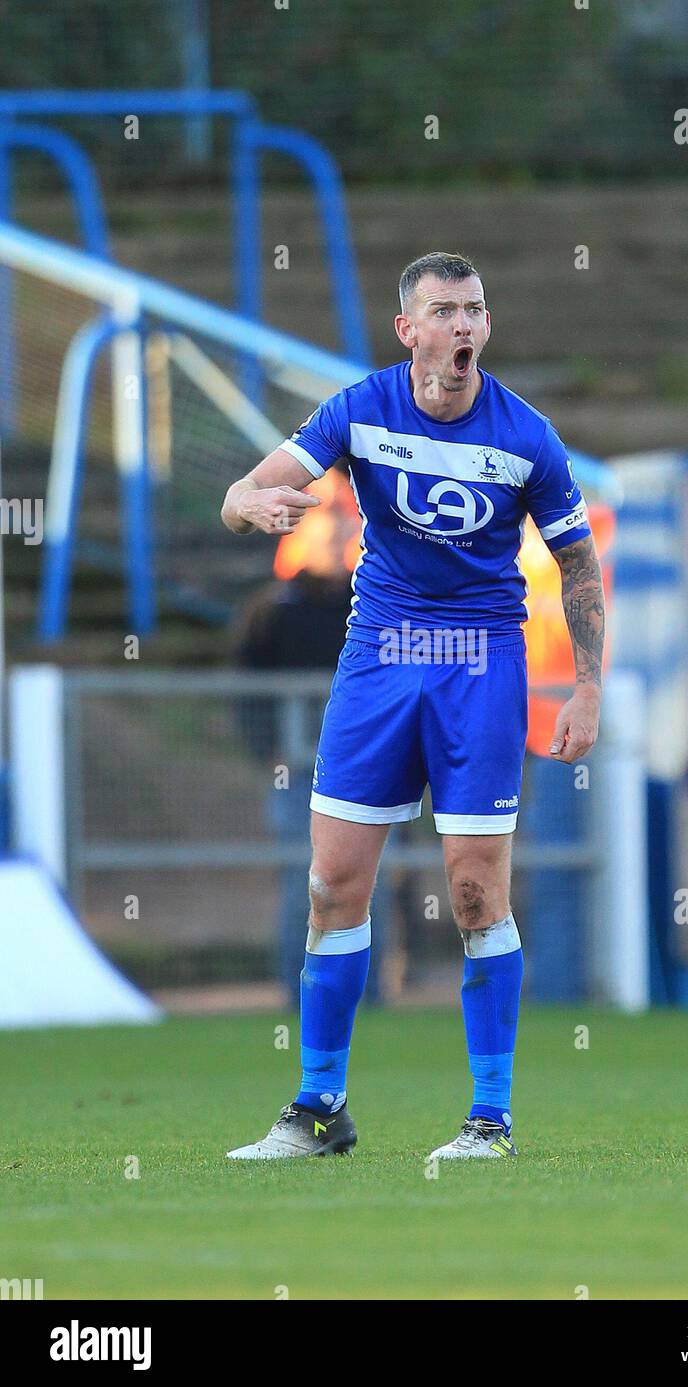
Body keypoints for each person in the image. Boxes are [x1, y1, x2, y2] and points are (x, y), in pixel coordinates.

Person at [220, 251, 605, 1160]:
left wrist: (587, 684)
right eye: (445, 310)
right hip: (381, 655)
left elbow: (578, 565)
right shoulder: (357, 408)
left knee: (475, 892)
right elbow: (245, 489)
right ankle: (319, 1110)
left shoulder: (527, 436)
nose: (464, 326)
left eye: (475, 309)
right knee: (332, 885)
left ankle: (491, 1120)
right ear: (410, 331)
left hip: (479, 662)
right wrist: (251, 505)